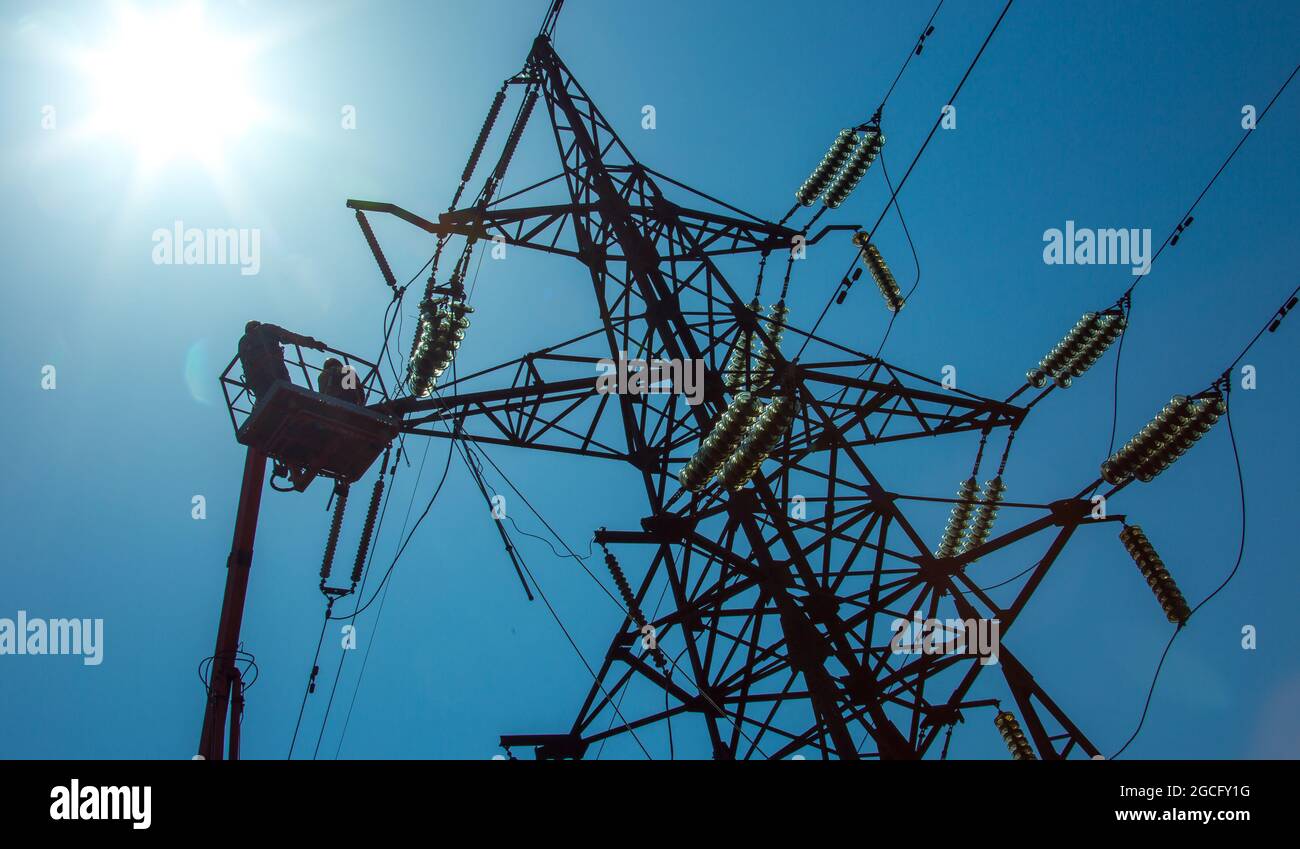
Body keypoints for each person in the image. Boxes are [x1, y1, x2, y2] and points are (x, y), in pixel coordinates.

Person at [237, 320, 325, 400]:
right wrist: (312, 343)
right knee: (287, 394)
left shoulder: (242, 342)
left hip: (255, 380)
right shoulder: (264, 328)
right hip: (273, 371)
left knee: (265, 400)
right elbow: (288, 336)